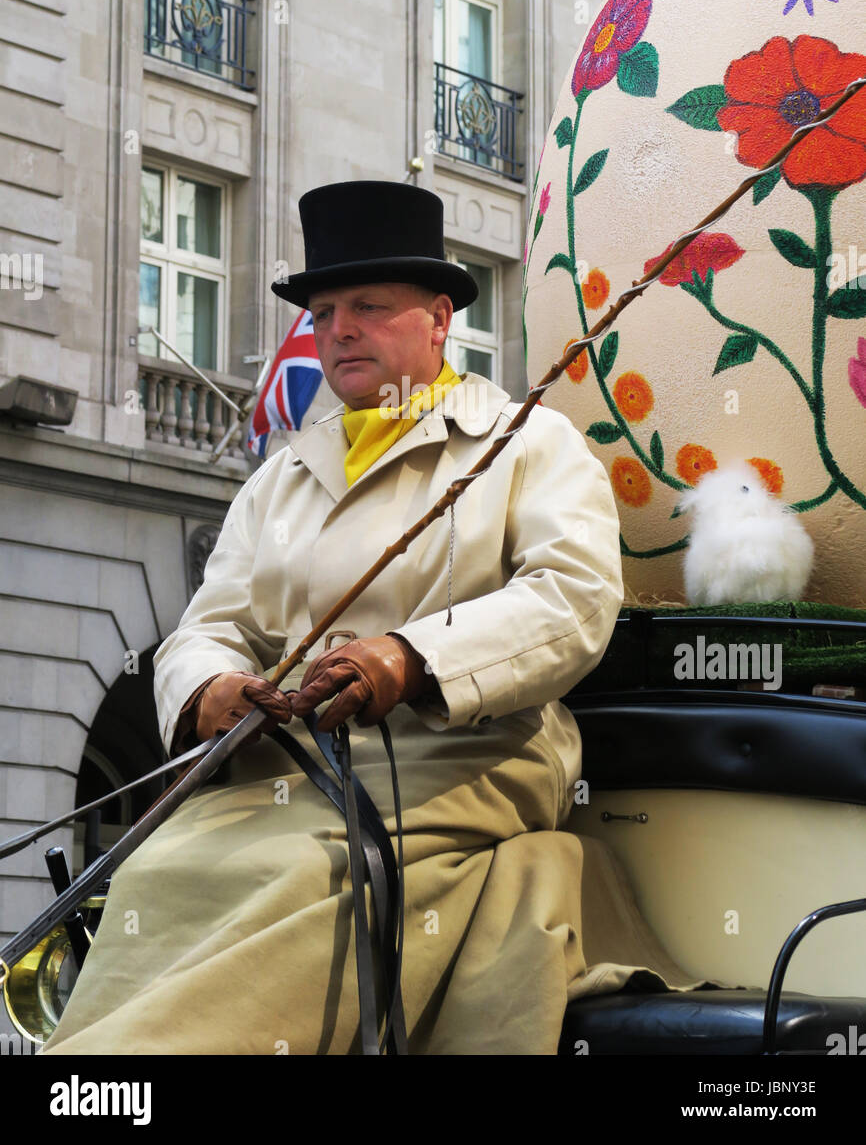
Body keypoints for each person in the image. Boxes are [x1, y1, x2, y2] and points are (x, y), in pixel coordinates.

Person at [43, 180, 627, 1056]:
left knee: (300, 871)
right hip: (292, 768)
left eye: (368, 306)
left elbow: (574, 598)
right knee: (164, 864)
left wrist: (411, 659)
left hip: (468, 758)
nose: (339, 329)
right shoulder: (281, 476)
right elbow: (208, 625)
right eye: (323, 312)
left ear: (438, 319)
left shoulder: (528, 443)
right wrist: (213, 688)